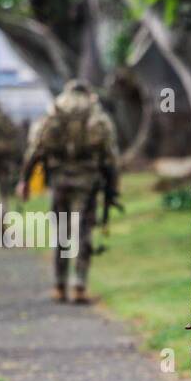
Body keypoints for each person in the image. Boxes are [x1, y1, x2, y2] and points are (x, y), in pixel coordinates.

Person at [19, 80, 120, 303]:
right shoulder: (94, 111)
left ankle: (59, 285)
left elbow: (36, 148)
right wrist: (113, 187)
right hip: (88, 179)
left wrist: (24, 181)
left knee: (61, 231)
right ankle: (80, 285)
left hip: (58, 179)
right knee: (83, 231)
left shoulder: (56, 109)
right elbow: (110, 155)